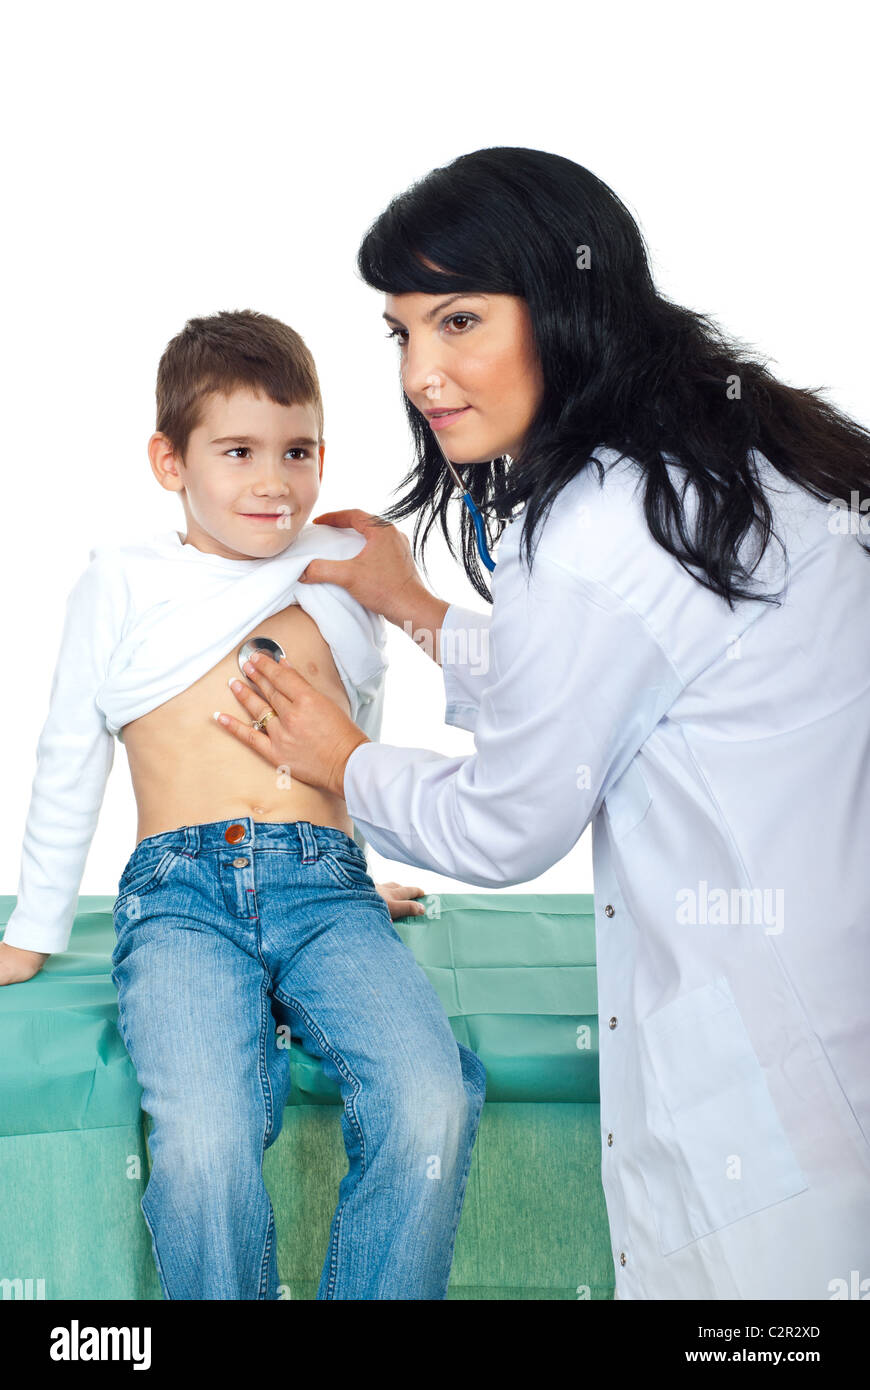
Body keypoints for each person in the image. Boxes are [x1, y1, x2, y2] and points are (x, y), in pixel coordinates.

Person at [213, 148, 870, 1301]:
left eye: (459, 320)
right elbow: (611, 681)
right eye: (402, 332)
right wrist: (414, 607)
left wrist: (347, 762)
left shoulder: (611, 525)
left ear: (566, 301)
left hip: (776, 1063)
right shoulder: (726, 452)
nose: (423, 371)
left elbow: (509, 823)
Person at [0, 308, 486, 1300]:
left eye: (297, 449)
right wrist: (33, 927)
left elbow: (361, 723)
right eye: (238, 451)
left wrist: (351, 852)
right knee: (207, 1133)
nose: (274, 480)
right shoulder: (124, 582)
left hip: (325, 888)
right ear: (169, 461)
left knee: (429, 1098)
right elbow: (66, 753)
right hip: (180, 898)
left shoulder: (336, 573)